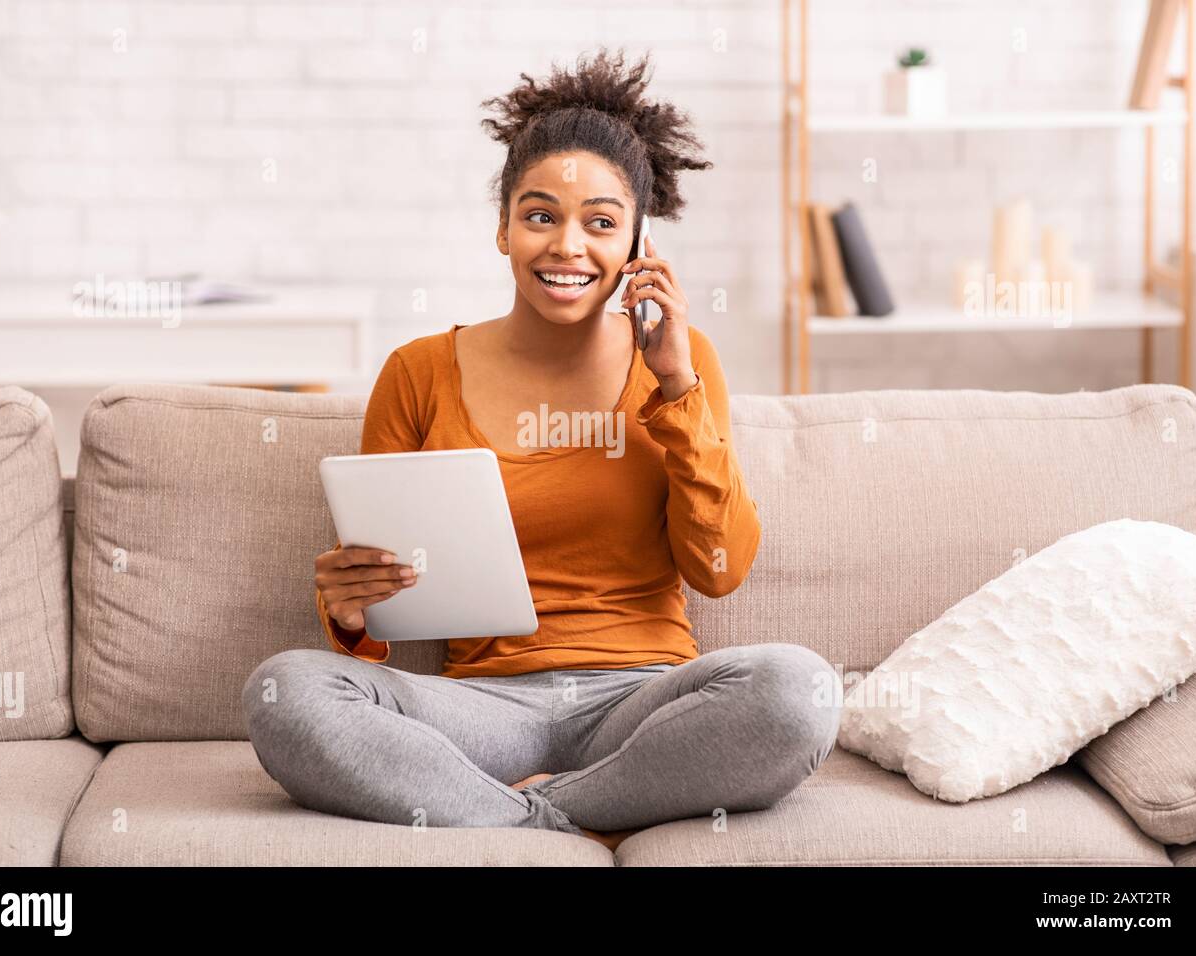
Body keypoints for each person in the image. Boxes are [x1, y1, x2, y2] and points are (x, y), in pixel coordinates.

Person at [242, 48, 840, 853]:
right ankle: (553, 816)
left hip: (641, 703)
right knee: (286, 690)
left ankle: (530, 811)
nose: (567, 246)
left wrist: (676, 390)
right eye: (539, 216)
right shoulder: (418, 372)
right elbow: (378, 606)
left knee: (797, 687)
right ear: (502, 227)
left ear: (637, 243)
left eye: (600, 222)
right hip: (480, 709)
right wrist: (349, 610)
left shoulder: (681, 363)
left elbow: (721, 570)